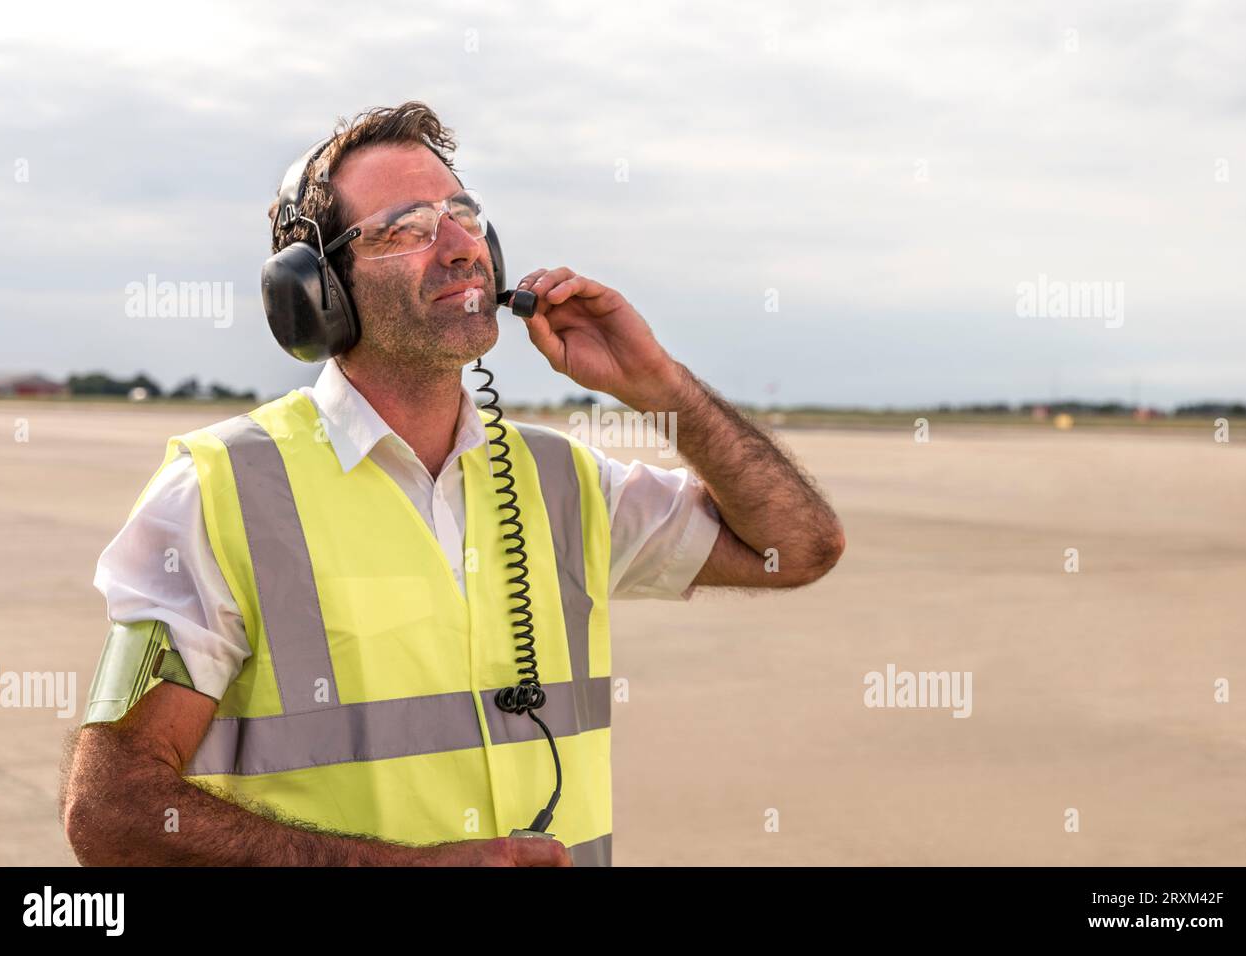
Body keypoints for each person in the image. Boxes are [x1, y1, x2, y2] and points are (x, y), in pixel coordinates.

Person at [60, 101, 844, 867]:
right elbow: (113, 810)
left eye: (465, 216)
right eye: (407, 228)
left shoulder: (564, 481)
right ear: (316, 293)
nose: (462, 247)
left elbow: (799, 545)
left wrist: (660, 386)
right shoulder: (219, 491)